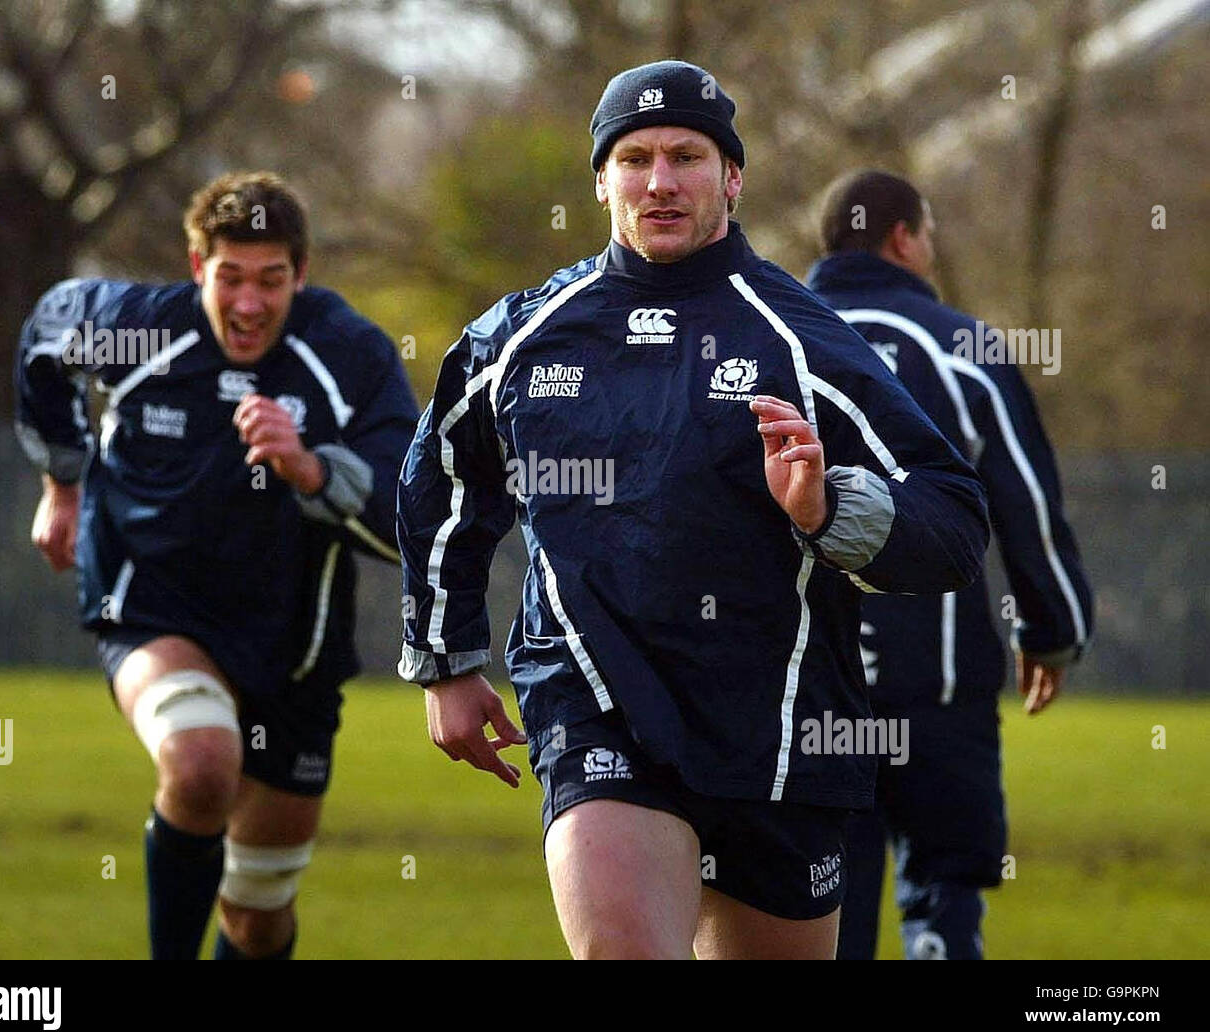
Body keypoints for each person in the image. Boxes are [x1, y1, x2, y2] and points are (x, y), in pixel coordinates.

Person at [396, 62, 990, 960]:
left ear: (733, 177)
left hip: (781, 732)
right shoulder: (520, 338)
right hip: (596, 706)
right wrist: (445, 660)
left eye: (686, 155)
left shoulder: (805, 340)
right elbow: (441, 473)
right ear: (601, 180)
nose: (660, 182)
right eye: (634, 159)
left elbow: (952, 521)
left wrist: (828, 509)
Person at [15, 171, 418, 959]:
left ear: (302, 275)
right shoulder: (132, 329)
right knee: (201, 766)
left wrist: (311, 470)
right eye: (230, 277)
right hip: (153, 603)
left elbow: (410, 518)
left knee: (258, 915)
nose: (248, 303)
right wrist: (62, 480)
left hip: (292, 647)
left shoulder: (351, 356)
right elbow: (41, 337)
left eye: (271, 281)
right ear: (197, 266)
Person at [807, 169, 1094, 960]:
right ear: (904, 237)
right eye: (929, 234)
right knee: (944, 897)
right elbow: (1027, 503)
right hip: (936, 690)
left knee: (821, 907)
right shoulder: (961, 349)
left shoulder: (770, 333)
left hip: (805, 696)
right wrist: (1052, 630)